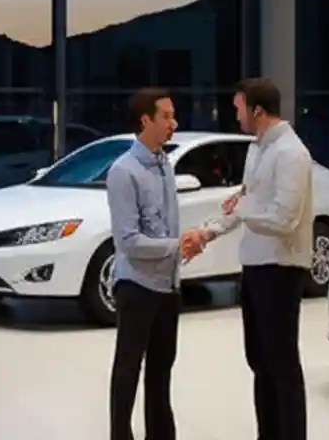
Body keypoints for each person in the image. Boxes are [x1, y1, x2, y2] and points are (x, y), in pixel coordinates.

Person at [186, 77, 313, 440]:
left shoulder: (291, 153)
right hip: (256, 267)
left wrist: (244, 208)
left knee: (282, 366)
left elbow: (284, 218)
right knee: (260, 362)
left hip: (281, 269)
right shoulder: (258, 148)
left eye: (239, 107)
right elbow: (244, 202)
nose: (235, 114)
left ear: (257, 110)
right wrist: (207, 232)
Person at [105, 88, 205, 440]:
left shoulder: (164, 164)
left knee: (161, 371)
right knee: (128, 367)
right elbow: (128, 241)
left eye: (173, 115)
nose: (173, 123)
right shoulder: (123, 171)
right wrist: (177, 245)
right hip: (137, 286)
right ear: (145, 120)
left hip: (168, 285)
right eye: (166, 116)